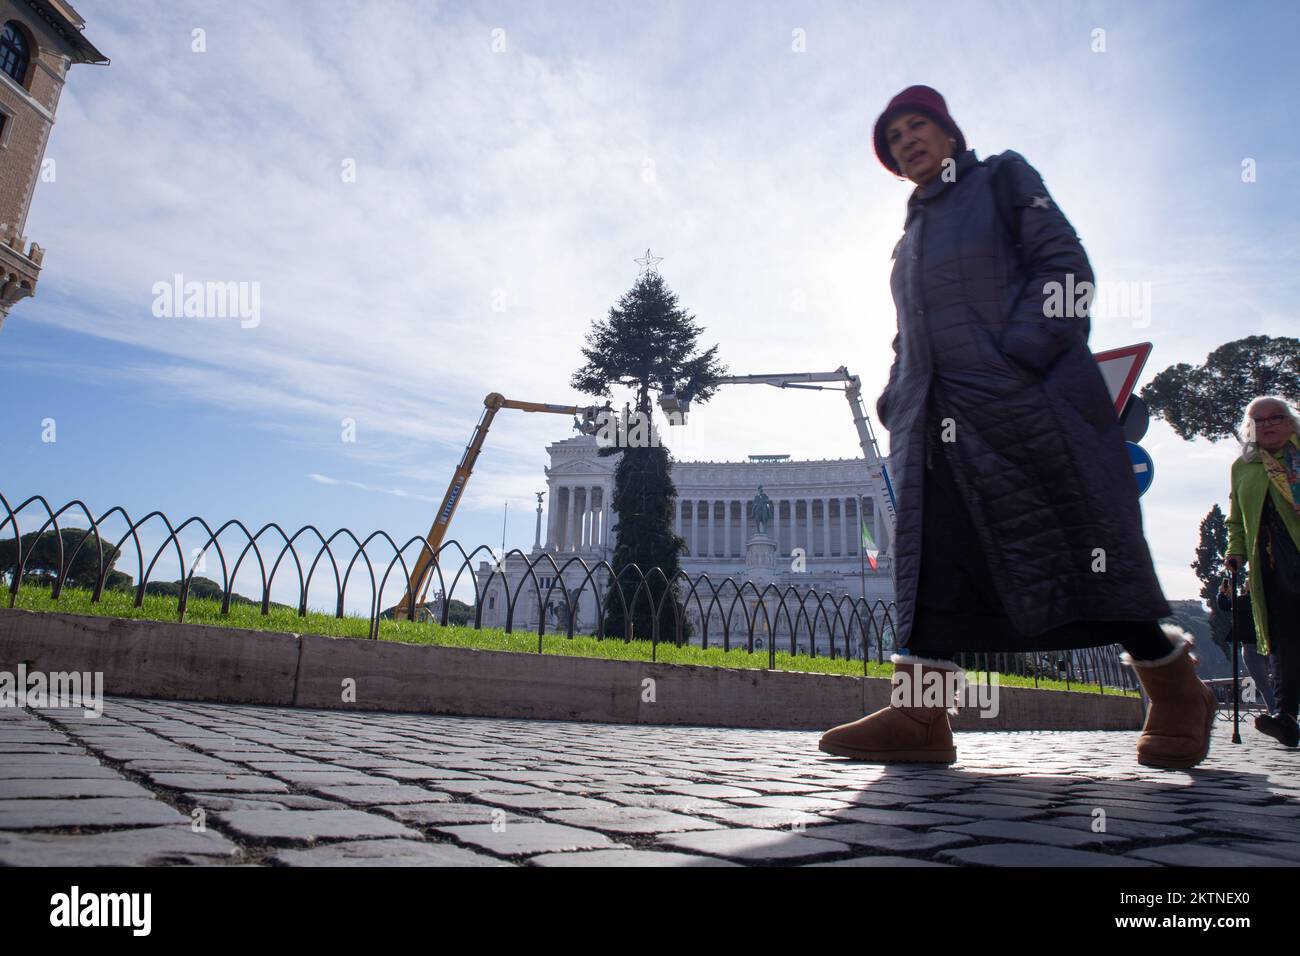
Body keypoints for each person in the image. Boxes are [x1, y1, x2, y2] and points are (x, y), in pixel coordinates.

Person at [819, 85, 1216, 768]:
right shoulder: (908, 239)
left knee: (1074, 548)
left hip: (1022, 409)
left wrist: (1022, 356)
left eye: (918, 126)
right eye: (892, 138)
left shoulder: (1003, 178)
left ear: (949, 134)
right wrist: (895, 396)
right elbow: (905, 335)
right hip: (935, 423)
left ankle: (1176, 688)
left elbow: (1065, 269)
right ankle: (920, 716)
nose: (906, 141)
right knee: (937, 564)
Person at [1225, 396, 1300, 747]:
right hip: (1271, 567)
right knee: (1284, 642)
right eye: (1259, 420)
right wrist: (1234, 553)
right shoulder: (1244, 467)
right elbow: (1235, 520)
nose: (1268, 424)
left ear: (1290, 421)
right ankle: (1285, 718)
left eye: (1276, 417)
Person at [1216, 572, 1277, 718]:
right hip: (1270, 643)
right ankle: (1282, 709)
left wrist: (1222, 593)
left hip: (1250, 646)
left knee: (1262, 682)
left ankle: (1275, 711)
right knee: (1277, 678)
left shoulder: (1243, 601)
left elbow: (1224, 605)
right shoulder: (1267, 601)